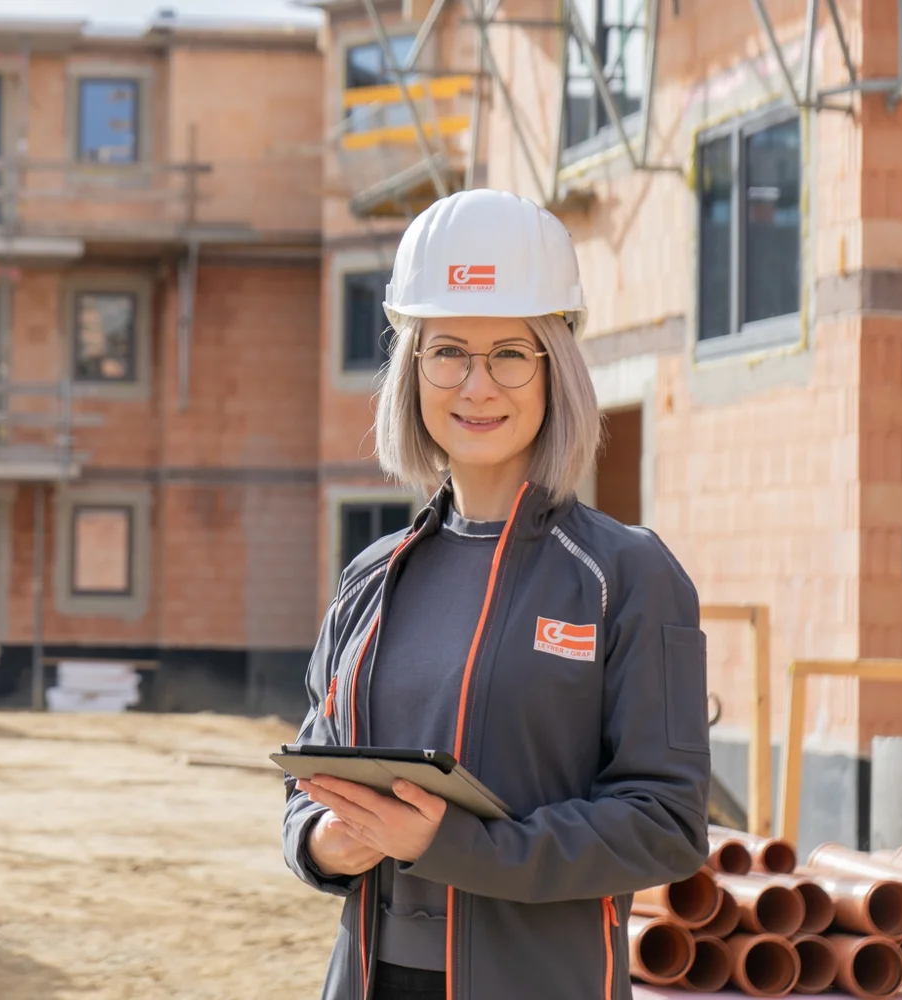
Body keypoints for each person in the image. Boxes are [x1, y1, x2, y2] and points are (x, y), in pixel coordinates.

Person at [281, 189, 712, 1000]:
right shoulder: (371, 577)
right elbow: (307, 777)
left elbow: (666, 825)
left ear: (556, 370)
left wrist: (454, 845)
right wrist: (322, 841)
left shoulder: (626, 576)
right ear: (413, 371)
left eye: (510, 353)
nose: (477, 386)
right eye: (448, 352)